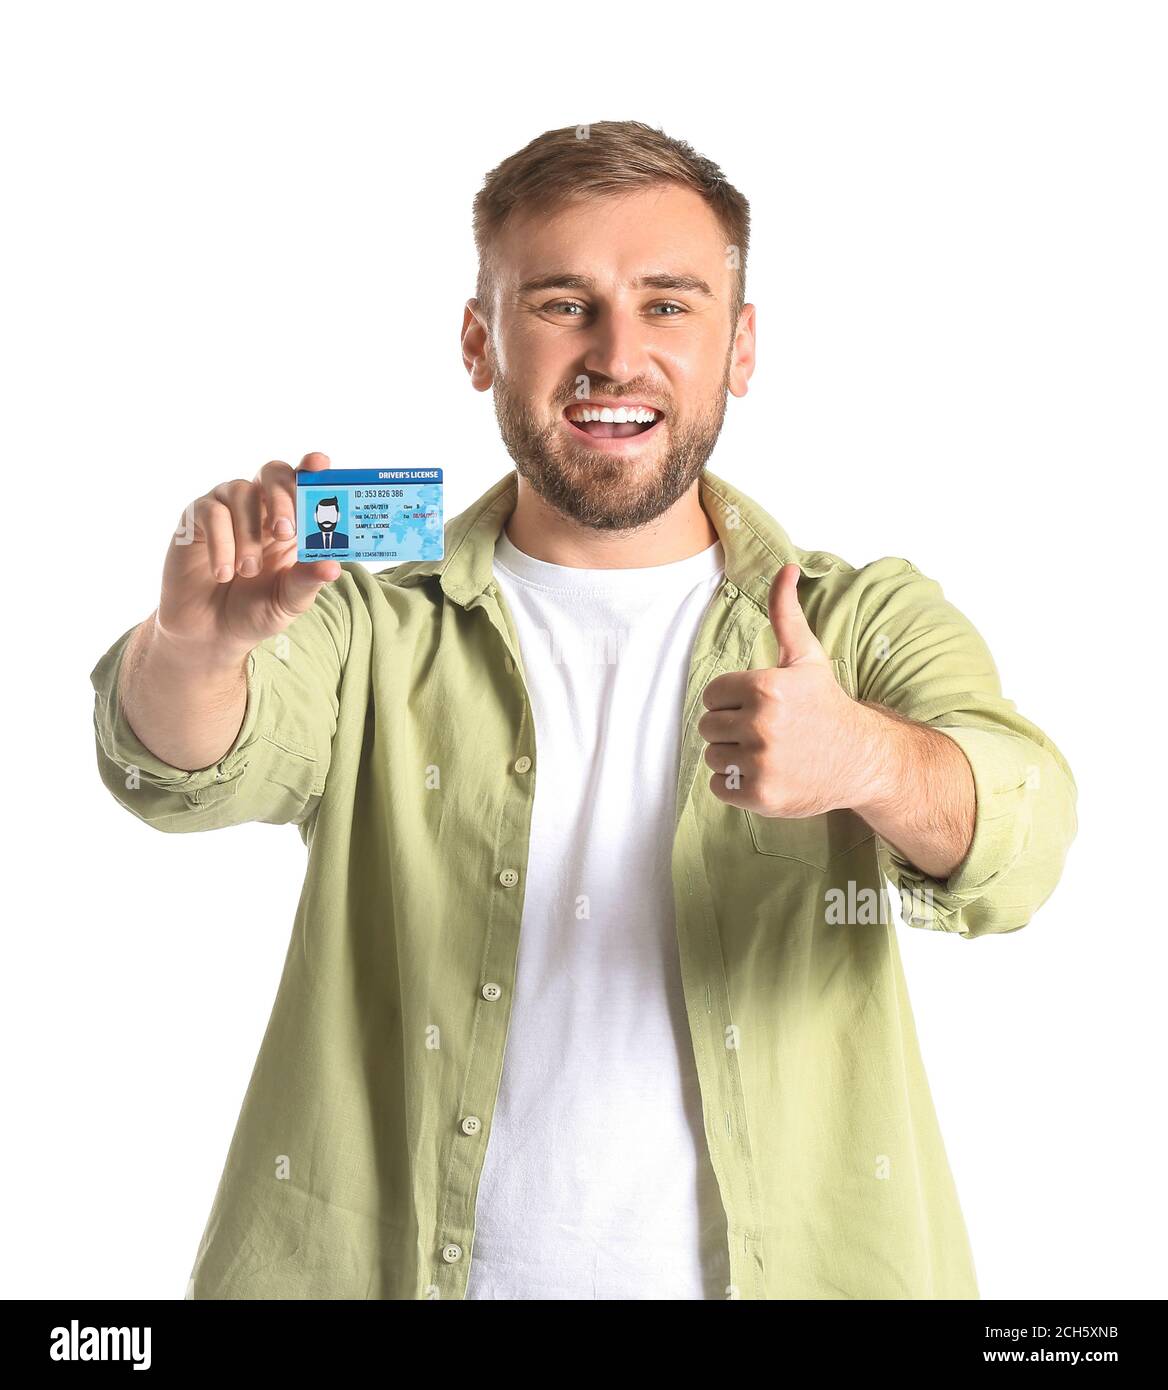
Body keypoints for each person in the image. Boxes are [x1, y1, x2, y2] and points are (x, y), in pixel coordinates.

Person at [89, 120, 1078, 1301]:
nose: (617, 356)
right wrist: (191, 646)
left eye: (669, 305)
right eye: (563, 304)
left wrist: (864, 757)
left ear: (741, 346)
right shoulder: (365, 624)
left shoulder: (857, 619)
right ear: (479, 340)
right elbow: (188, 764)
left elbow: (1023, 843)